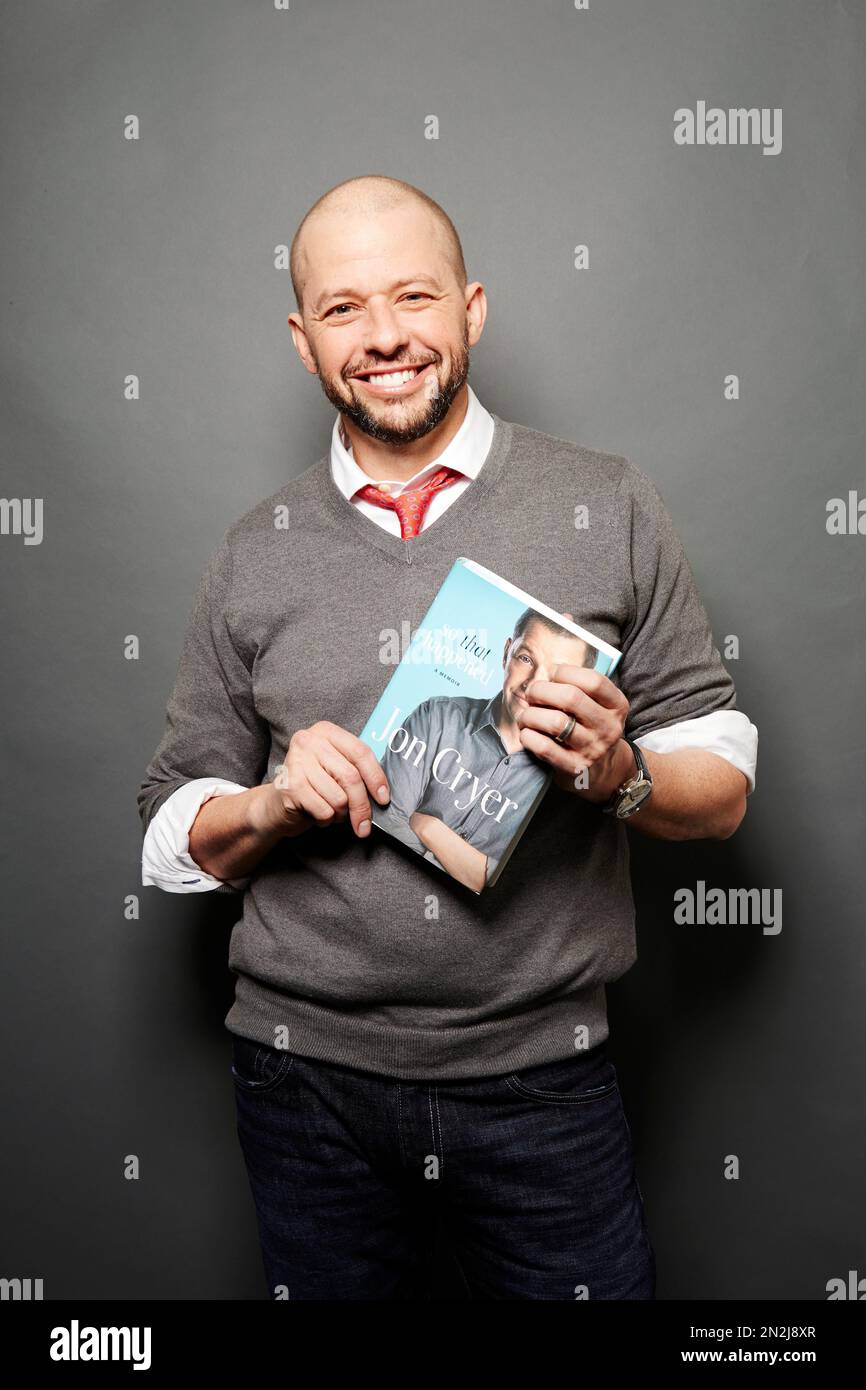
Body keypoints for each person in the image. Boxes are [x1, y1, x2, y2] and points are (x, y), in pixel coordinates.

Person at [137, 174, 758, 1301]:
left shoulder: (607, 501)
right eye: (342, 309)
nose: (383, 337)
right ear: (300, 337)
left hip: (542, 1083)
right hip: (300, 1084)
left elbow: (719, 793)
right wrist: (272, 801)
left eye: (413, 297)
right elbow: (169, 831)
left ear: (471, 308)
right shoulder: (250, 550)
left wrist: (616, 776)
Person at [373, 610, 598, 891]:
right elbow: (387, 821)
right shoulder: (438, 716)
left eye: (556, 677)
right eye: (525, 659)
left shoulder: (572, 779)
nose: (532, 685)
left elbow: (515, 889)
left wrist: (431, 828)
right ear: (506, 653)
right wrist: (473, 867)